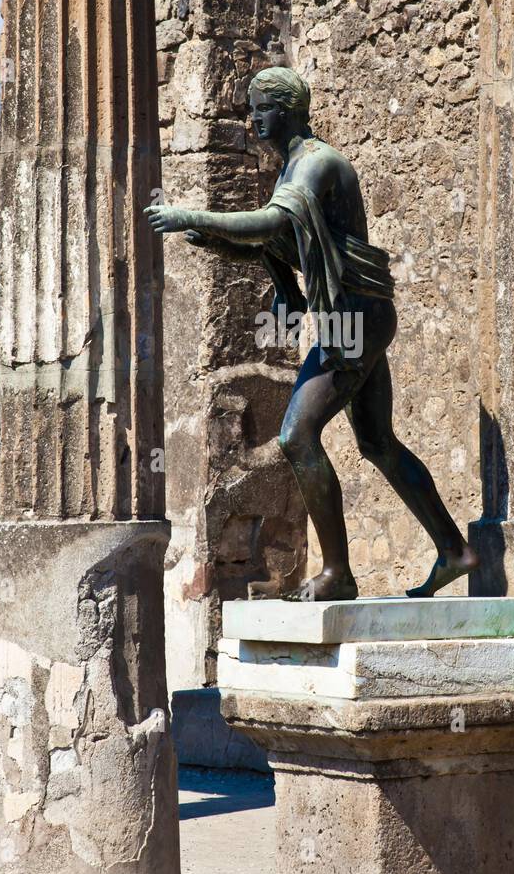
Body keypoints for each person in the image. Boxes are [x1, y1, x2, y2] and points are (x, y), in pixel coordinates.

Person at [146, 66, 477, 600]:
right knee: (377, 442)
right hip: (356, 316)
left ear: (291, 109)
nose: (254, 117)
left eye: (263, 107)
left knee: (296, 435)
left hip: (354, 321)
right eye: (250, 107)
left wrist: (195, 216)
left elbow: (273, 226)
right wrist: (211, 241)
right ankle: (454, 550)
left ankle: (338, 574)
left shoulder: (318, 164)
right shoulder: (292, 171)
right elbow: (274, 248)